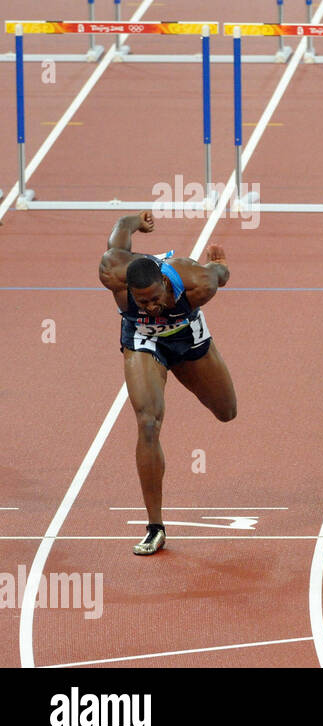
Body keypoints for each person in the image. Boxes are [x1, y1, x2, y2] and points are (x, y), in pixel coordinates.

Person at [97, 211, 236, 555]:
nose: (151, 306)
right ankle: (155, 526)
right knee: (147, 423)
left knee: (227, 411)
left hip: (188, 339)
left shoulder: (197, 282)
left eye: (156, 298)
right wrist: (133, 221)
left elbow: (219, 274)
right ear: (127, 288)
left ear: (164, 282)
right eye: (142, 302)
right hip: (143, 343)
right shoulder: (113, 272)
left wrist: (217, 264)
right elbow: (118, 240)